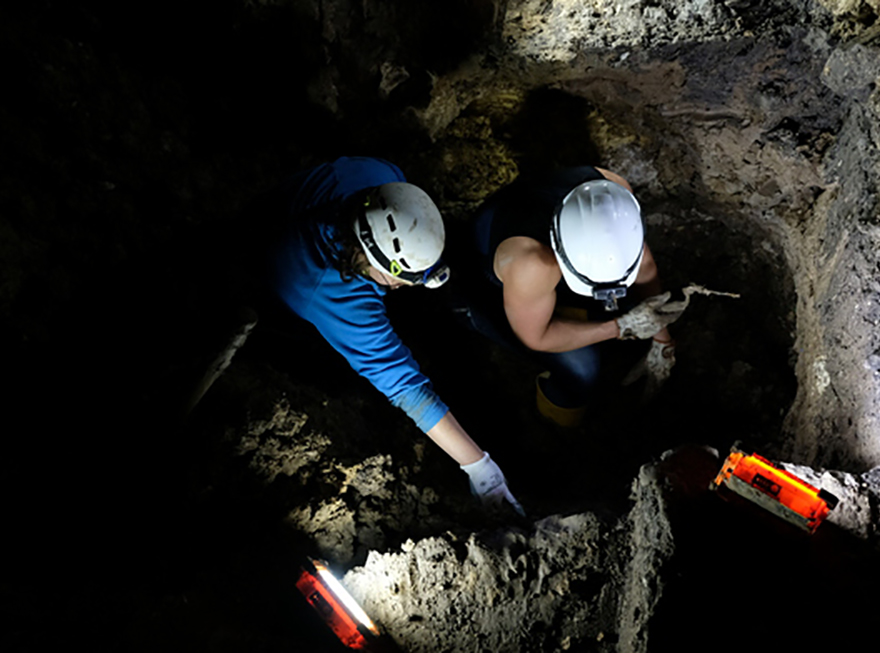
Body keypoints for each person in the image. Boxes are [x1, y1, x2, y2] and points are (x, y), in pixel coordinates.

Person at [266, 156, 522, 515]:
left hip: (276, 204)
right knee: (318, 364)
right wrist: (480, 468)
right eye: (403, 279)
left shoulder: (378, 177)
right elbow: (405, 387)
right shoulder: (336, 295)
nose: (405, 285)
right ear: (373, 264)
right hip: (272, 291)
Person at [457, 166, 680, 427]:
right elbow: (538, 337)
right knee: (582, 368)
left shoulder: (613, 200)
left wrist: (662, 340)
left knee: (628, 303)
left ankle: (590, 321)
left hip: (543, 270)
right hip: (488, 295)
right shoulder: (533, 264)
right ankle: (555, 429)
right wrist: (620, 327)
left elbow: (644, 267)